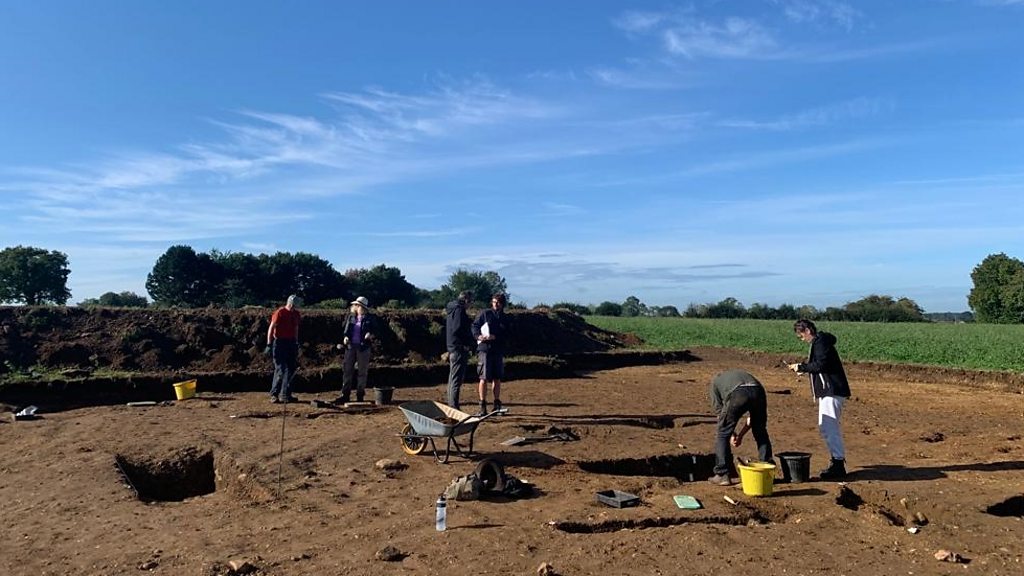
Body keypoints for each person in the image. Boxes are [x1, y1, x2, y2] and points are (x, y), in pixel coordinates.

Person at [788, 319, 851, 480]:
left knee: (829, 426)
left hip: (831, 390)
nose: (802, 339)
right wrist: (805, 368)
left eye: (801, 336)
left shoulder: (820, 342)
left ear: (807, 330)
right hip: (829, 390)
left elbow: (821, 365)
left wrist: (802, 367)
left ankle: (838, 464)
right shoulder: (821, 342)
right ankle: (836, 462)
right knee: (827, 427)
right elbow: (820, 365)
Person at [707, 369, 773, 486]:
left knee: (722, 434)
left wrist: (731, 434)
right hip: (758, 390)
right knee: (760, 430)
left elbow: (720, 413)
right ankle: (767, 468)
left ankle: (722, 474)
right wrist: (740, 435)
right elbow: (752, 420)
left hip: (738, 394)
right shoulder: (734, 377)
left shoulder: (714, 383)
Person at [471, 292, 510, 415]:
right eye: (493, 302)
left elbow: (507, 333)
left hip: (497, 350)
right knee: (483, 378)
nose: (495, 304)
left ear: (502, 304)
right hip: (485, 349)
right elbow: (475, 326)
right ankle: (482, 405)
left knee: (497, 378)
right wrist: (478, 336)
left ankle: (497, 404)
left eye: (498, 302)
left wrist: (495, 337)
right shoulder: (485, 314)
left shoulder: (505, 318)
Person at [335, 296, 376, 404]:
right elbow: (346, 330)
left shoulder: (370, 318)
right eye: (355, 305)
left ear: (362, 307)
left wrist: (370, 334)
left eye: (357, 305)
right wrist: (345, 337)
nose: (355, 306)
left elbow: (376, 331)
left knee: (362, 372)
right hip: (350, 347)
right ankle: (345, 394)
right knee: (347, 370)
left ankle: (360, 395)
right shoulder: (351, 317)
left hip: (363, 347)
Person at [267, 295, 301, 403]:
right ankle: (274, 394)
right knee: (280, 369)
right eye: (294, 305)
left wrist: (296, 342)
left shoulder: (296, 314)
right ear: (290, 303)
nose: (294, 307)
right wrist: (269, 343)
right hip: (280, 343)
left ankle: (286, 394)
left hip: (290, 342)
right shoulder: (280, 312)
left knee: (291, 369)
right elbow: (272, 327)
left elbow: (296, 328)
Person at [445, 290, 475, 410]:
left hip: (452, 347)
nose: (471, 305)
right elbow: (458, 328)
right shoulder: (459, 310)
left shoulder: (452, 308)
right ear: (466, 300)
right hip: (458, 348)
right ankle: (454, 406)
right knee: (456, 379)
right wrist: (467, 342)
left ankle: (451, 404)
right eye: (471, 301)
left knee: (452, 378)